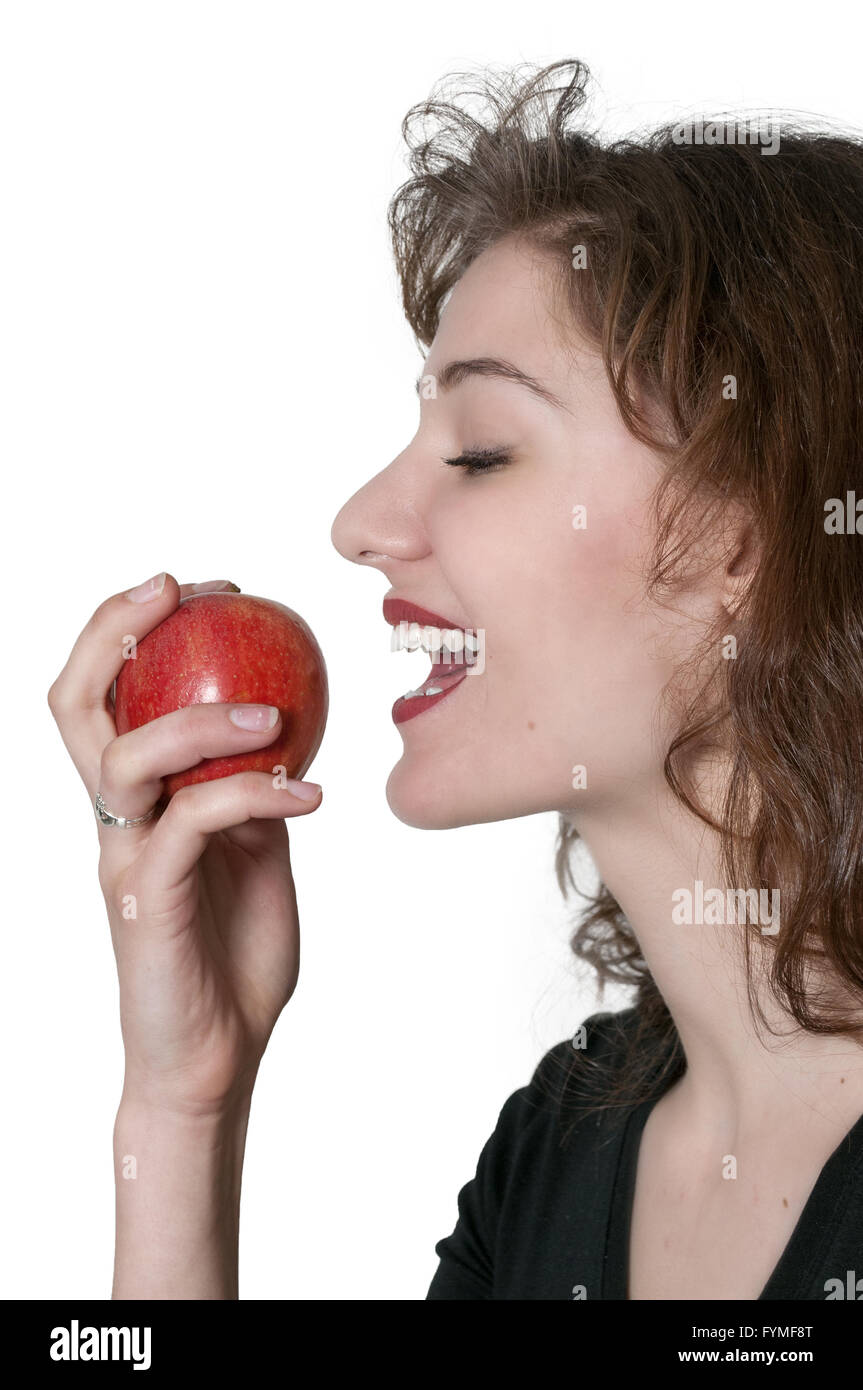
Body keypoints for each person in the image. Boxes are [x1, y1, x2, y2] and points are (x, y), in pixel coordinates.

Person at [48, 59, 863, 1300]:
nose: (360, 520)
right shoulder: (556, 1151)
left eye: (481, 453)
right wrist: (182, 1108)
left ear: (744, 538)